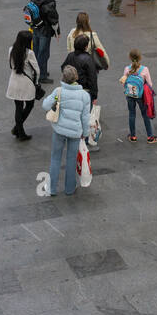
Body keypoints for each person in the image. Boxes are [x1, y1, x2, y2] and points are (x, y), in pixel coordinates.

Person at [44, 65, 91, 197]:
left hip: (59, 130)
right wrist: (85, 133)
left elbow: (45, 105)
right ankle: (69, 189)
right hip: (75, 132)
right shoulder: (84, 95)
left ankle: (52, 189)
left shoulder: (59, 91)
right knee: (71, 159)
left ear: (63, 77)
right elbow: (85, 117)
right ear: (76, 77)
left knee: (55, 158)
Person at [6, 29, 40, 141]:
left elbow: (11, 65)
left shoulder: (11, 49)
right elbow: (37, 70)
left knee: (18, 107)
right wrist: (36, 83)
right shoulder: (29, 53)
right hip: (26, 83)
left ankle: (19, 131)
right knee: (29, 105)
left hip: (14, 81)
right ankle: (18, 130)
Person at [120, 49, 157, 143]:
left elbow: (123, 82)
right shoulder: (144, 69)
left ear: (130, 57)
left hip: (129, 95)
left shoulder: (127, 69)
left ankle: (133, 136)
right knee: (145, 115)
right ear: (140, 58)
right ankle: (150, 137)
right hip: (141, 95)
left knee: (132, 114)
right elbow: (150, 84)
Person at [28, 0, 60, 84]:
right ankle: (42, 75)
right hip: (45, 30)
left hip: (35, 27)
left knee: (36, 51)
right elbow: (53, 18)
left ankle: (36, 71)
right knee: (44, 52)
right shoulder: (49, 0)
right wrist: (57, 31)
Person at [61, 34, 99, 106]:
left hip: (70, 87)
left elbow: (63, 67)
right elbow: (92, 78)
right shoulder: (88, 59)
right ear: (85, 47)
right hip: (84, 90)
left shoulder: (70, 55)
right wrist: (94, 95)